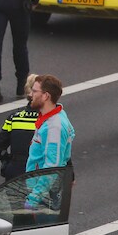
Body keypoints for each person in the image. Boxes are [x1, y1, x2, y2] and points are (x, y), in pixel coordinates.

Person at [24, 74, 75, 208]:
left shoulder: (54, 127)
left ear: (46, 96)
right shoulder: (49, 119)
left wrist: (34, 198)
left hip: (43, 198)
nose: (30, 94)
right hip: (41, 193)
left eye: (34, 91)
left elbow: (52, 167)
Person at [0, 73, 39, 180]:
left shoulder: (14, 118)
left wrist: (8, 161)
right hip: (39, 172)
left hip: (15, 171)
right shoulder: (49, 120)